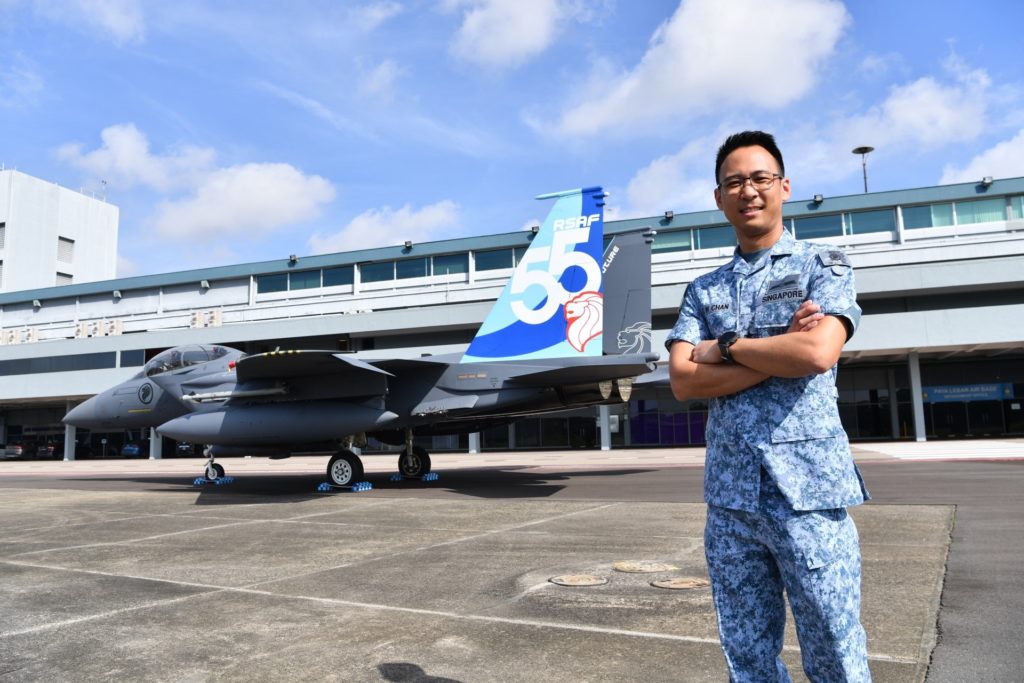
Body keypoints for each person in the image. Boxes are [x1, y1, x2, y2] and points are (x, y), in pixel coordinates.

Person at [666, 130, 871, 681]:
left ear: (784, 186)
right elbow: (683, 381)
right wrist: (780, 352)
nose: (748, 191)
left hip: (808, 493)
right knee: (747, 654)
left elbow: (818, 352)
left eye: (760, 178)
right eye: (734, 182)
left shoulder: (821, 264)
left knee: (833, 644)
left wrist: (726, 347)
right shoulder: (703, 290)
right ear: (719, 197)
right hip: (731, 499)